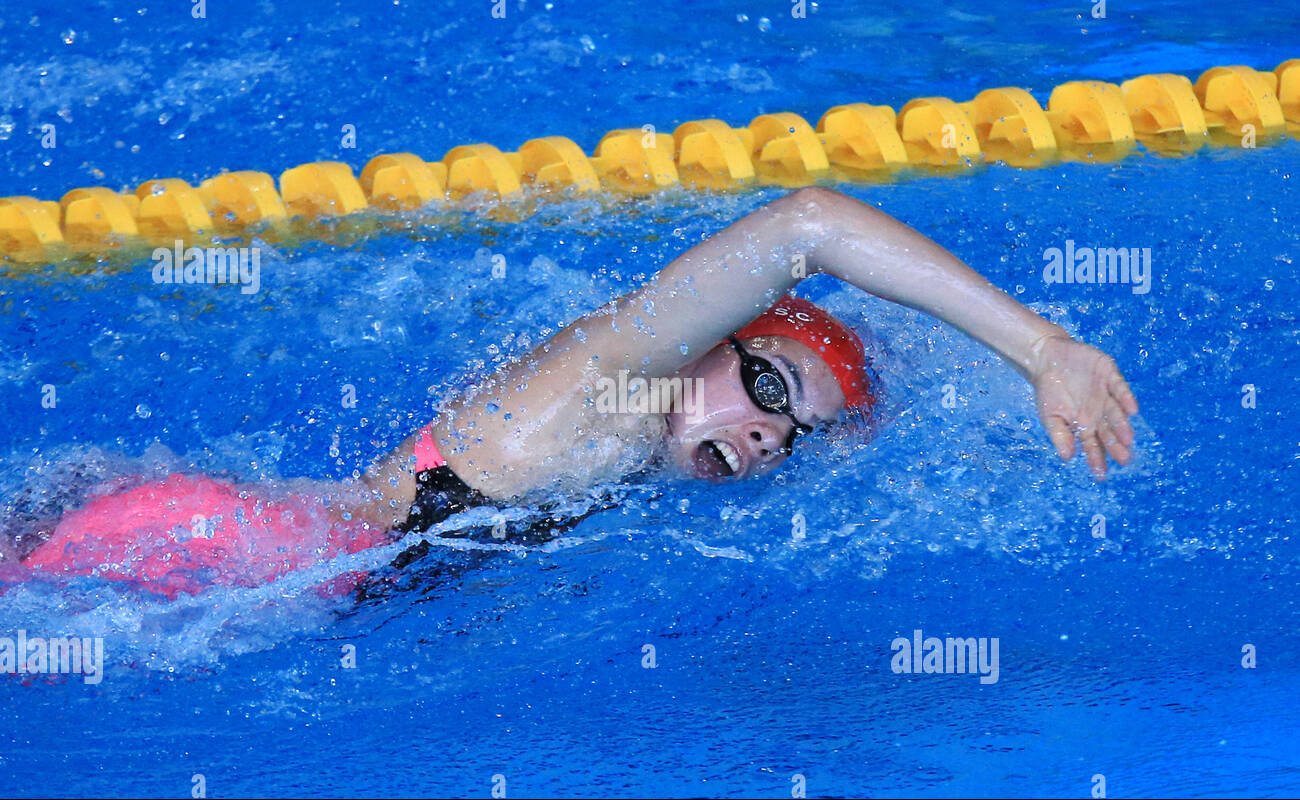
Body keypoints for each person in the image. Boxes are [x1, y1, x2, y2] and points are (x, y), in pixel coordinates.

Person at [17, 187, 1139, 597]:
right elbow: (810, 223)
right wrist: (1039, 351)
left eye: (792, 434)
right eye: (766, 384)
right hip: (210, 548)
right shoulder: (611, 375)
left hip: (246, 558)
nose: (762, 436)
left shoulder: (629, 458)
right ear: (711, 341)